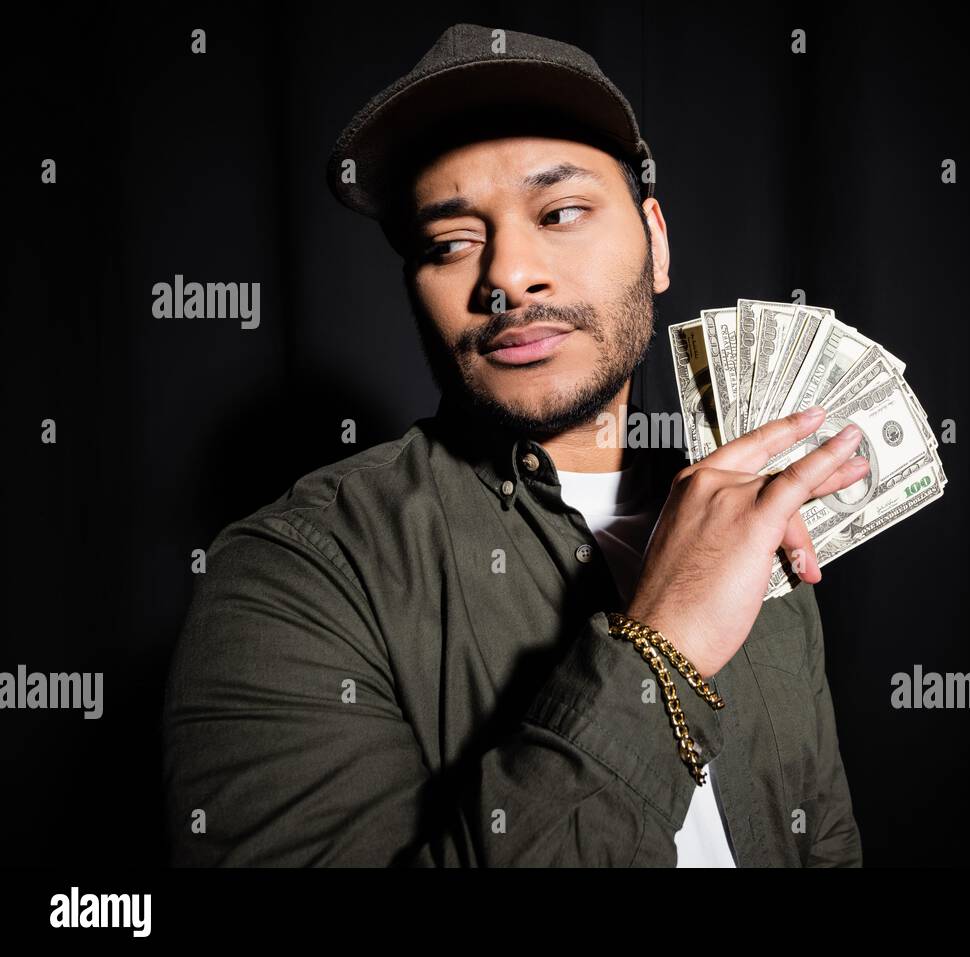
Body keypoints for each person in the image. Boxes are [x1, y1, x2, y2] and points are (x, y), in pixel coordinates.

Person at [161, 22, 866, 867]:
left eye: (561, 211)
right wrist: (664, 642)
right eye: (451, 242)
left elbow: (822, 840)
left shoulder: (755, 521)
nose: (507, 275)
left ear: (658, 242)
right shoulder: (295, 576)